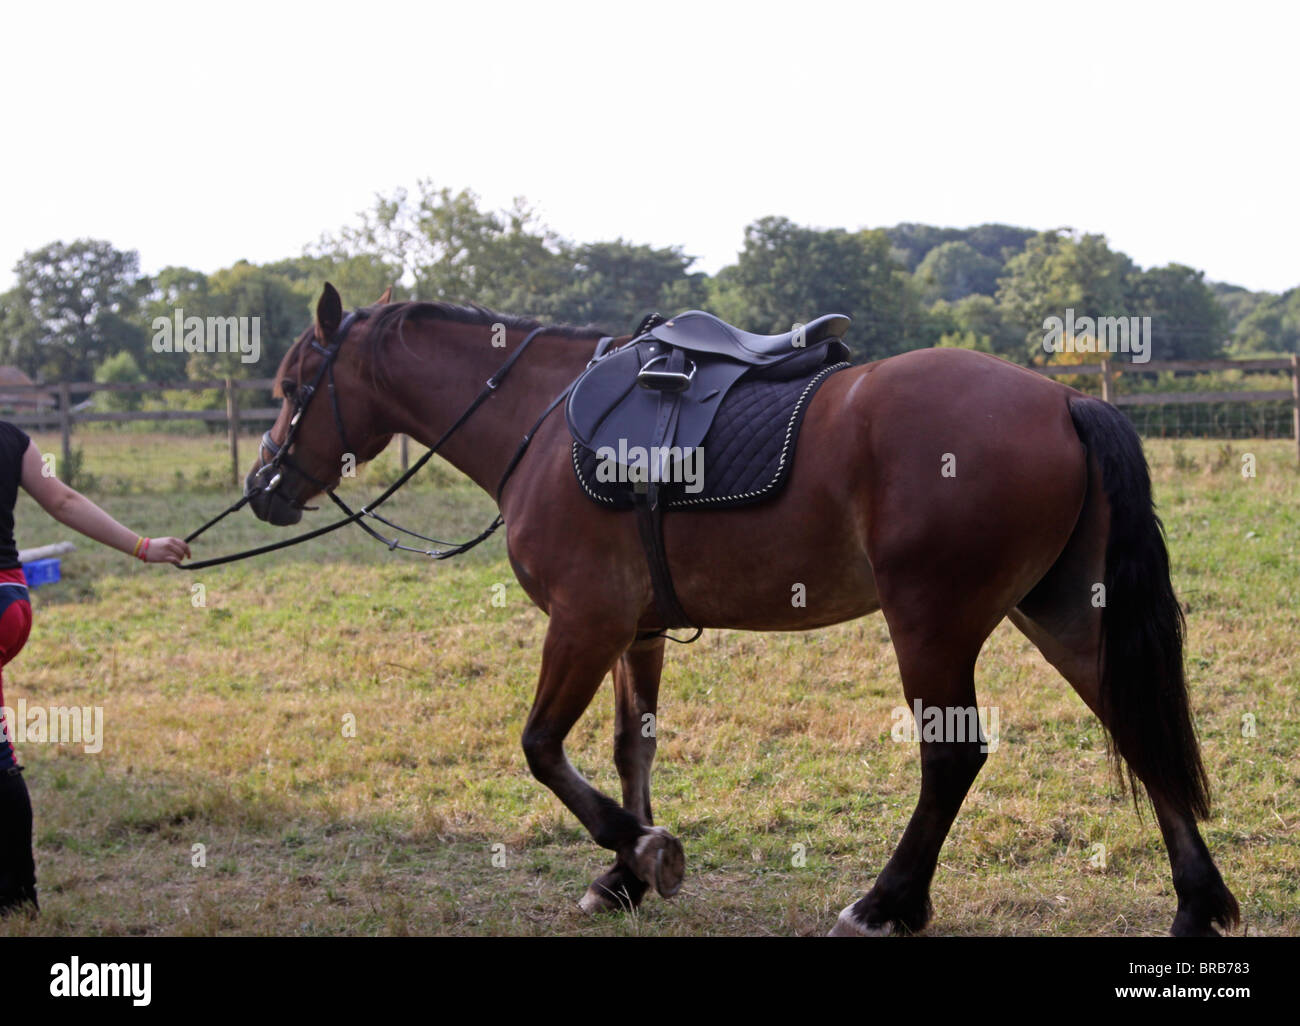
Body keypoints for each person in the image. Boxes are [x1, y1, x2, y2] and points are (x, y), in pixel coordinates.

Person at [0, 420, 190, 915]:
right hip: (11, 604)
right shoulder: (12, 437)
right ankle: (17, 898)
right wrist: (141, 546)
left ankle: (16, 898)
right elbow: (63, 501)